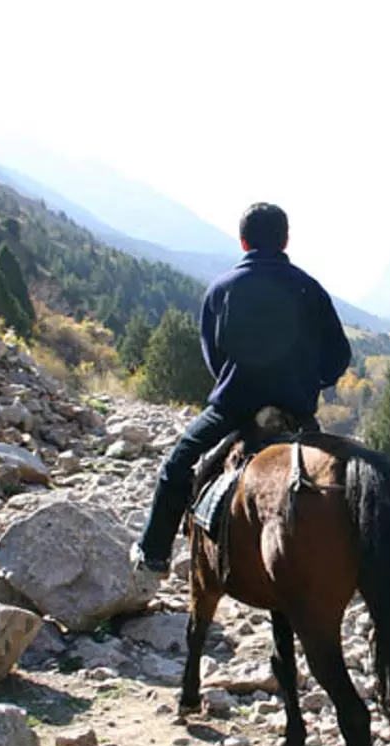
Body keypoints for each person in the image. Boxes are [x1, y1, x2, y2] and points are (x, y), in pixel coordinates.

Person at [133, 202, 352, 571]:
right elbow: (339, 354)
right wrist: (311, 382)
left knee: (177, 464)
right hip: (295, 409)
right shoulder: (309, 288)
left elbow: (213, 355)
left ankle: (153, 555)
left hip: (234, 405)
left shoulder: (222, 289)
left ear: (243, 241)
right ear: (285, 240)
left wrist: (237, 379)